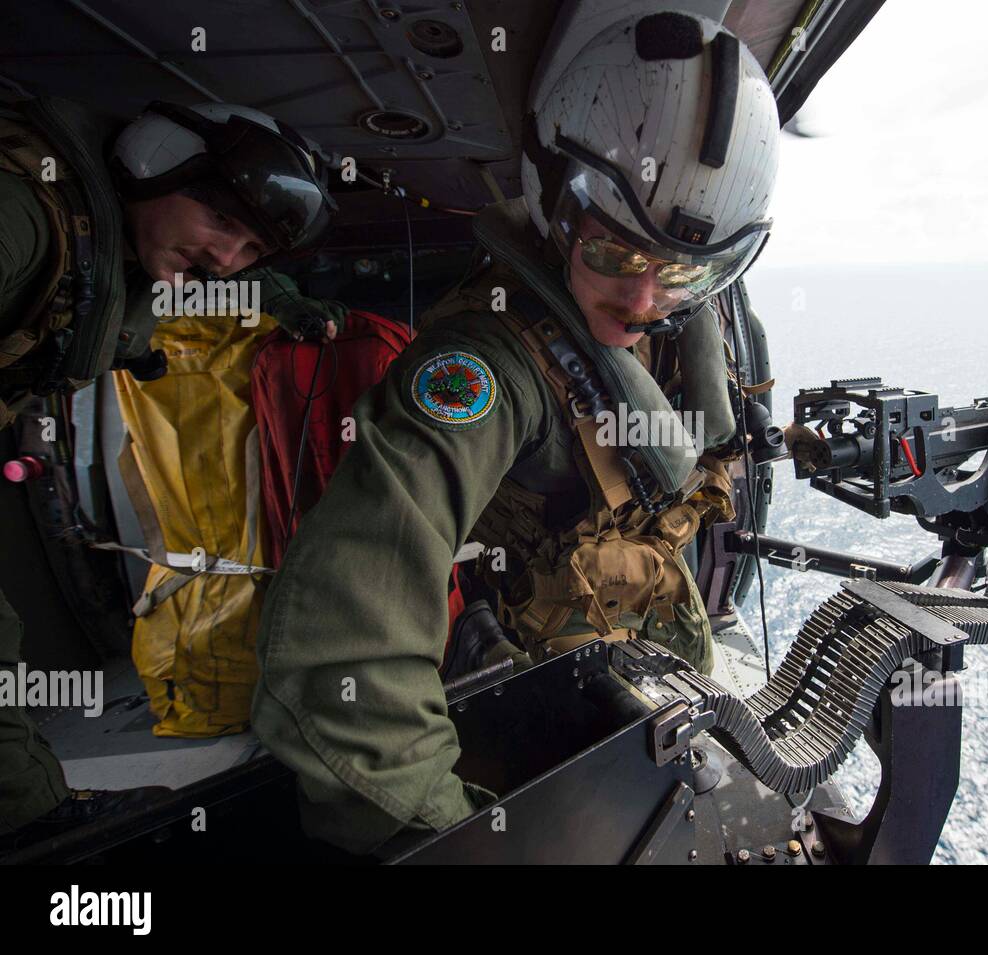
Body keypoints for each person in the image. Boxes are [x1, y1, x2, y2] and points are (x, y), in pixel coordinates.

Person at [252, 10, 781, 855]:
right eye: (612, 254)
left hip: (647, 691)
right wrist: (458, 837)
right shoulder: (484, 372)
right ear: (553, 203)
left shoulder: (664, 327)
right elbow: (343, 639)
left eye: (680, 273)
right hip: (545, 711)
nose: (645, 302)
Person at [0, 95, 338, 846]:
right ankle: (30, 827)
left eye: (250, 248)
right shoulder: (25, 219)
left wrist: (280, 299)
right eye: (221, 222)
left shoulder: (124, 260)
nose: (227, 258)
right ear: (154, 161)